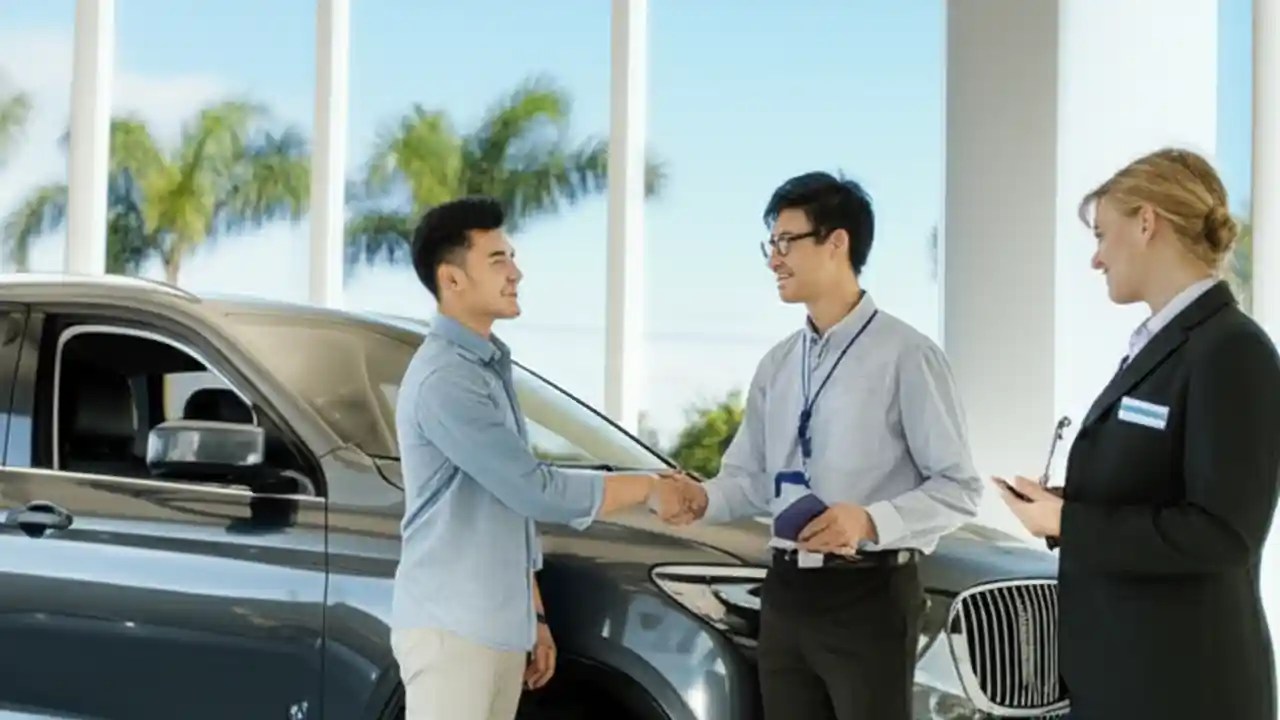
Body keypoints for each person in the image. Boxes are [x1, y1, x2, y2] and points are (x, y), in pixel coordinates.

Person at [652, 171, 984, 720]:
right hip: (785, 592)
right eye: (771, 244)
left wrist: (870, 521)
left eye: (787, 241)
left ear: (837, 243)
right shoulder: (779, 363)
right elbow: (752, 478)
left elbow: (959, 487)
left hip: (868, 593)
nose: (774, 259)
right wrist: (704, 498)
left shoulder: (907, 355)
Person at [994, 147, 1280, 720]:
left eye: (1101, 234)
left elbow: (1222, 535)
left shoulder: (1233, 350)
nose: (1096, 260)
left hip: (1186, 691)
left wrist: (1067, 522)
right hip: (1130, 681)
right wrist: (1067, 507)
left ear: (1146, 222)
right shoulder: (1165, 346)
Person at [390, 196, 660, 720]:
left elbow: (506, 508)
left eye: (511, 257)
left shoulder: (485, 366)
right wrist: (650, 486)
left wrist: (532, 616)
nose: (516, 272)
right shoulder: (447, 378)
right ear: (452, 279)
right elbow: (534, 489)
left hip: (492, 629)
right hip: (453, 633)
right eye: (498, 260)